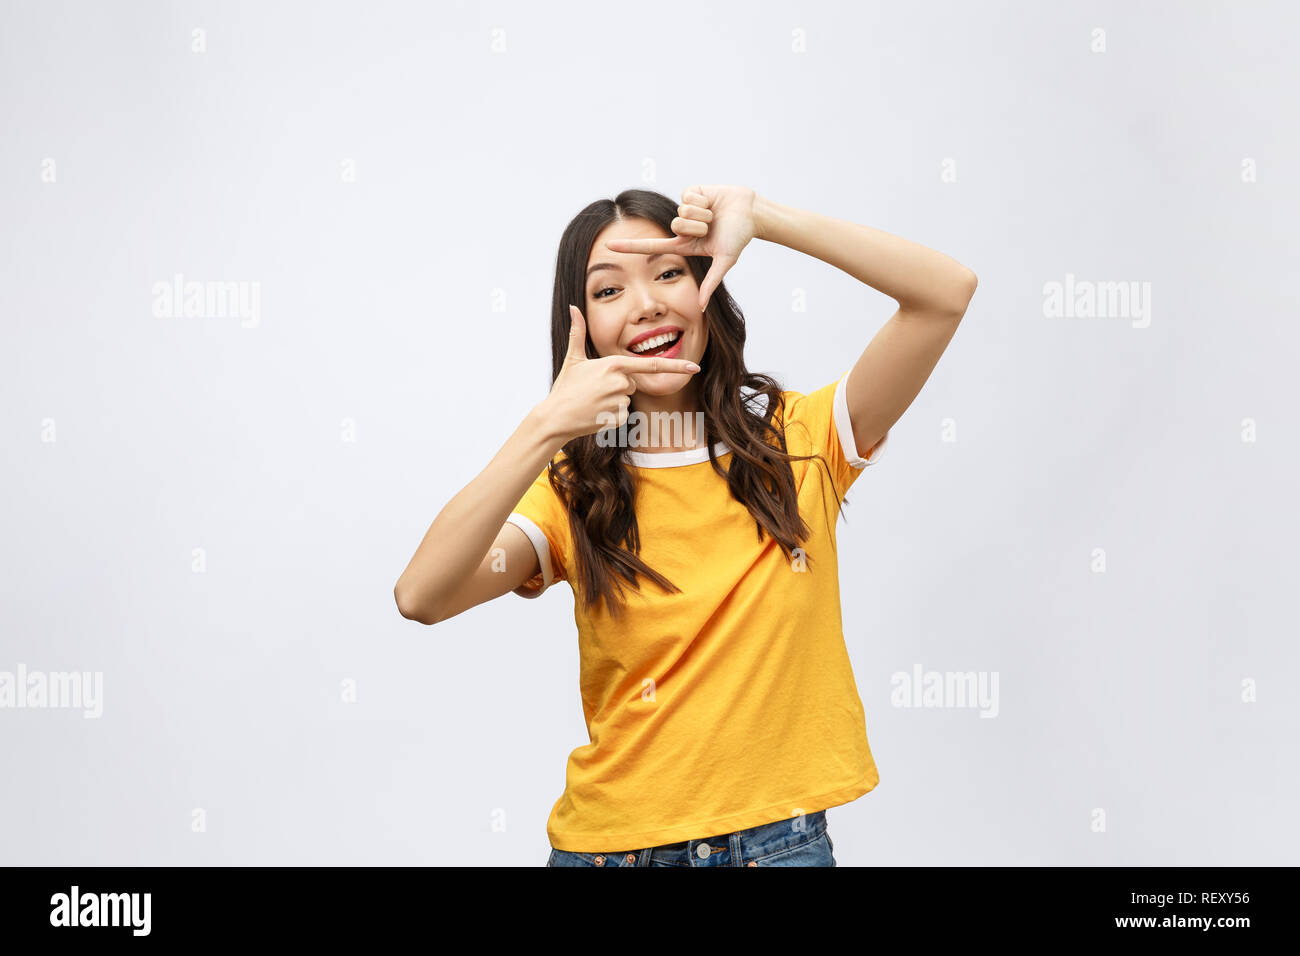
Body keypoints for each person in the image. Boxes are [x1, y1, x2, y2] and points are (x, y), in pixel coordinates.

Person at [394, 184, 977, 867]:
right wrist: (547, 423)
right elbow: (420, 596)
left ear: (709, 286)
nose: (647, 304)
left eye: (669, 272)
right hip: (617, 851)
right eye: (609, 291)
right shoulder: (574, 492)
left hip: (781, 848)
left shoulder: (802, 441)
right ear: (582, 327)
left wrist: (762, 218)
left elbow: (947, 292)